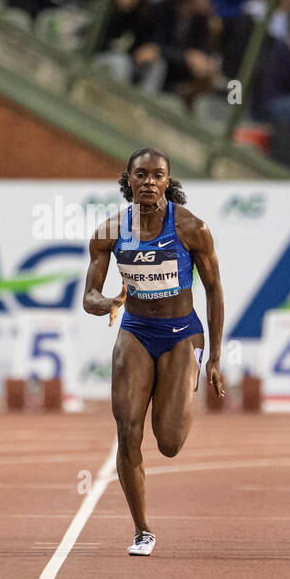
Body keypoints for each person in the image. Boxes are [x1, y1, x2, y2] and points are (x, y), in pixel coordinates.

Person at [83, 147, 225, 556]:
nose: (148, 182)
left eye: (157, 175)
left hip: (181, 334)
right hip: (135, 331)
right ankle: (142, 529)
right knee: (128, 430)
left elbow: (214, 291)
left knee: (169, 443)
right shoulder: (109, 232)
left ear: (168, 181)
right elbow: (89, 294)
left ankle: (186, 379)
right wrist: (106, 302)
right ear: (127, 180)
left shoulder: (192, 229)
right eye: (140, 175)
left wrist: (214, 355)